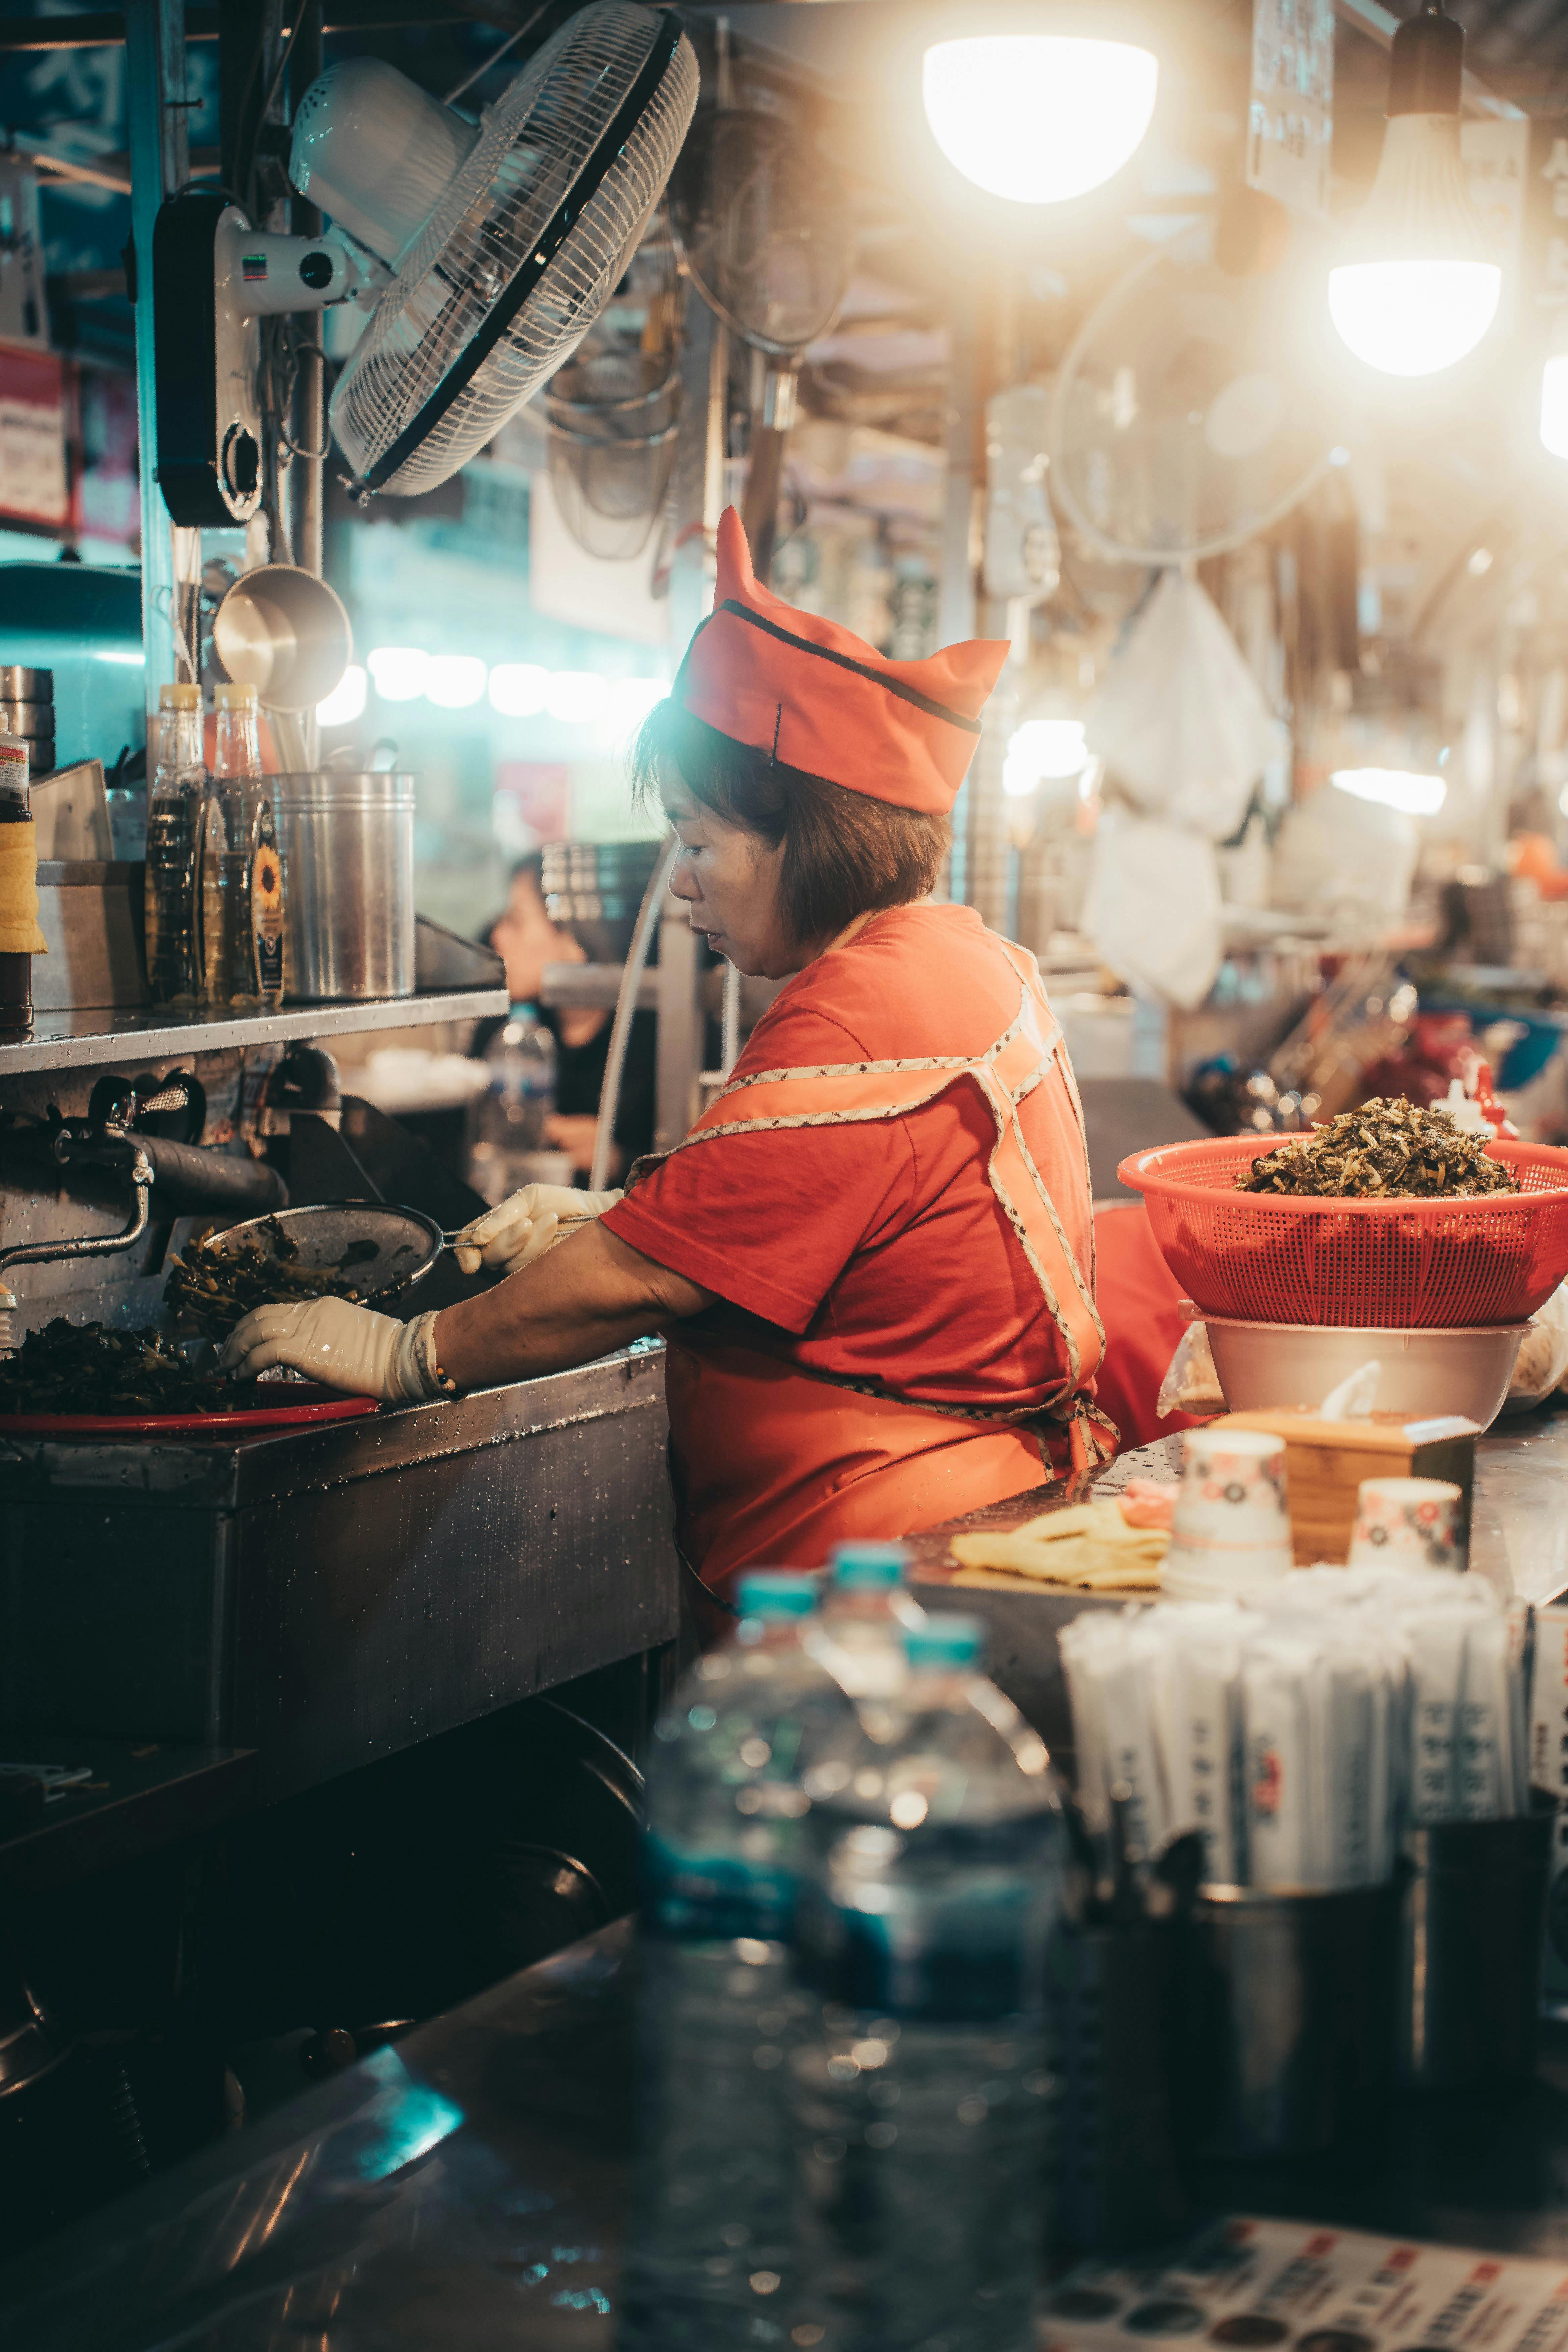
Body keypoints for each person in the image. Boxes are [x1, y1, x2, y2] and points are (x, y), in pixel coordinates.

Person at [222, 510, 1112, 1599]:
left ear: (811, 837)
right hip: (944, 1512)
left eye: (698, 842)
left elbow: (638, 1280)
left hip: (886, 1557)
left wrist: (408, 1352)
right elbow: (835, 1231)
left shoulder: (863, 1012)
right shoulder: (963, 960)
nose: (681, 881)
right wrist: (618, 1211)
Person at [475, 852, 656, 1180]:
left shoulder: (658, 1041)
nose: (497, 936)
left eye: (516, 922)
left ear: (576, 940)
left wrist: (618, 1161)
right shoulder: (503, 1028)